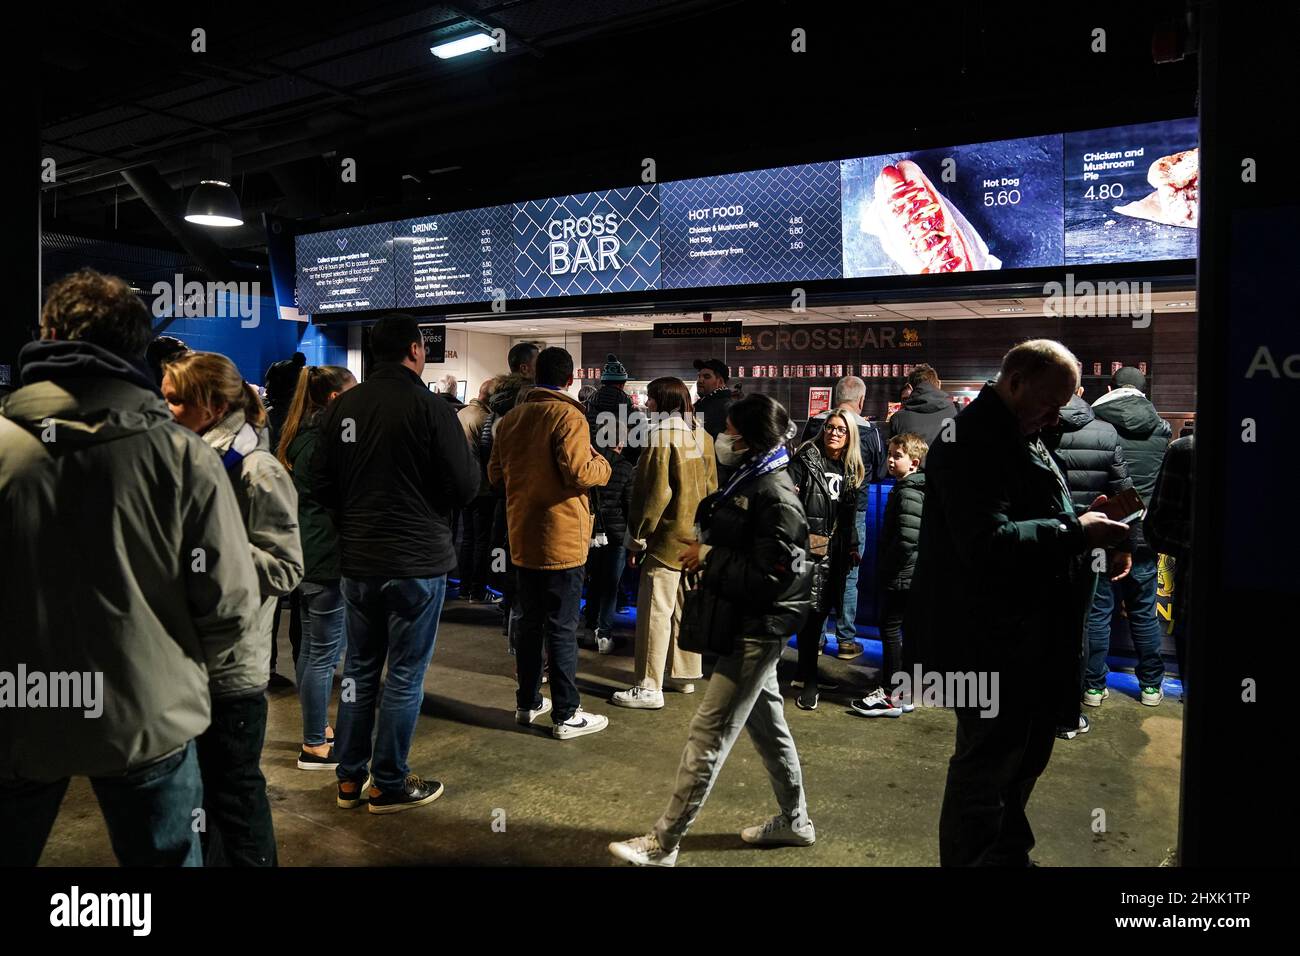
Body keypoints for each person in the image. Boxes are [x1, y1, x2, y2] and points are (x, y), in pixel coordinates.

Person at [0, 269, 260, 867]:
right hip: (149, 715)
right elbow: (228, 602)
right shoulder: (182, 459)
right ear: (137, 346)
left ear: (48, 332)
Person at [907, 339, 1130, 867]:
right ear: (1016, 381)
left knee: (1022, 760)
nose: (1056, 416)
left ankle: (1006, 857)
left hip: (1025, 638)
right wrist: (1075, 530)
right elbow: (987, 544)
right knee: (987, 770)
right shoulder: (971, 440)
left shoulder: (1017, 431)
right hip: (990, 642)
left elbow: (1024, 513)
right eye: (1051, 403)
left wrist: (1084, 522)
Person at [608, 394, 814, 866]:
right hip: (747, 619)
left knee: (709, 732)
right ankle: (796, 821)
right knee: (770, 729)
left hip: (759, 627)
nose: (724, 438)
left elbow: (778, 573)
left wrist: (711, 558)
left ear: (751, 439)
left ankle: (664, 842)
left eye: (733, 431)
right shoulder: (754, 478)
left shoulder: (776, 493)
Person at [312, 314, 480, 813]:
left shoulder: (343, 409)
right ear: (414, 350)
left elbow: (319, 485)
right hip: (416, 562)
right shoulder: (431, 409)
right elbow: (466, 487)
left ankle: (348, 780)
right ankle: (388, 783)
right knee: (405, 674)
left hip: (358, 562)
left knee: (359, 669)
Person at [162, 350, 304, 865]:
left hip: (231, 666)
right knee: (198, 798)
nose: (167, 408)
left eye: (178, 400)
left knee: (236, 794)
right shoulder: (184, 459)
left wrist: (209, 542)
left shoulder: (257, 469)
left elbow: (286, 569)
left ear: (215, 405)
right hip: (183, 657)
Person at [489, 347, 613, 740]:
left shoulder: (510, 419)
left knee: (528, 622)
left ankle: (527, 702)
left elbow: (494, 475)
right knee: (561, 625)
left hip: (522, 535)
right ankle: (566, 713)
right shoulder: (568, 415)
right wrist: (605, 465)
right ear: (570, 378)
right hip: (561, 538)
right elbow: (579, 471)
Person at [613, 377, 717, 709]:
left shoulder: (662, 436)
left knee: (656, 611)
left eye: (650, 400)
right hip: (696, 539)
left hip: (667, 540)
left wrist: (637, 537)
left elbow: (652, 494)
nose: (646, 404)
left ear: (662, 401)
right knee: (684, 611)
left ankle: (648, 686)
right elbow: (713, 490)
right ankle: (683, 675)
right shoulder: (704, 436)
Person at [277, 364, 357, 770]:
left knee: (311, 651)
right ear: (333, 399)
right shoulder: (325, 443)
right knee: (323, 654)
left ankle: (315, 730)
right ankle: (313, 744)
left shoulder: (297, 437)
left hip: (305, 555)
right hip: (327, 559)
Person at [1043, 383, 1134, 738]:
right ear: (1080, 389)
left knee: (1040, 623)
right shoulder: (1105, 431)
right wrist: (1127, 546)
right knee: (1081, 624)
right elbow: (1125, 495)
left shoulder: (1034, 426)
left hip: (1044, 542)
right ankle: (1069, 711)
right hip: (1091, 548)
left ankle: (1036, 706)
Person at [1090, 367, 1173, 706]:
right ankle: (1151, 686)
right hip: (1144, 535)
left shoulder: (1096, 423)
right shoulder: (1162, 430)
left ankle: (1093, 687)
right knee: (1143, 611)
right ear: (1143, 389)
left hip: (1105, 531)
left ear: (1111, 387)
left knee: (1098, 612)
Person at [799, 375, 887, 660]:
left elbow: (803, 465)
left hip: (817, 514)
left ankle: (818, 639)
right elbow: (882, 470)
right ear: (861, 400)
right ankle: (847, 640)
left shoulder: (816, 424)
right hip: (854, 512)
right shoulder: (870, 431)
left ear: (836, 397)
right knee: (848, 577)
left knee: (818, 576)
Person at [788, 408, 864, 710]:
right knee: (810, 615)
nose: (834, 433)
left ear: (849, 437)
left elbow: (850, 514)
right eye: (830, 428)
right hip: (807, 549)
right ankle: (809, 682)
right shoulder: (805, 460)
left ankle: (805, 673)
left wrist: (853, 544)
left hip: (837, 550)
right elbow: (787, 501)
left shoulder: (851, 468)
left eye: (841, 430)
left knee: (823, 611)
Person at [851, 432, 928, 717]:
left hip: (902, 574)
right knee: (901, 629)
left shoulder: (908, 491)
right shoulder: (913, 488)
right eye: (891, 455)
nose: (891, 461)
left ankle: (891, 694)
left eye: (898, 456)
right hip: (911, 574)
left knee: (891, 628)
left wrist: (888, 565)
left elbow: (907, 538)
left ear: (914, 462)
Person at [482, 343, 540, 641]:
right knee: (524, 560)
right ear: (525, 368)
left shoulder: (496, 402)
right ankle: (519, 621)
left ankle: (507, 610)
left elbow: (487, 447)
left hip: (503, 492)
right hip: (524, 495)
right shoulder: (527, 401)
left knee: (504, 550)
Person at [264, 350, 308, 686]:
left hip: (265, 523)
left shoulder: (260, 421)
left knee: (269, 602)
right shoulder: (303, 426)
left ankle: (267, 668)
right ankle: (303, 662)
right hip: (302, 521)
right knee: (303, 601)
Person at [1144, 435, 1193, 688]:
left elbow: (1157, 530)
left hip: (1194, 601)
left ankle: (1094, 685)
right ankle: (1150, 683)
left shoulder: (1185, 450)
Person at [585, 442, 637, 654]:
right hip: (616, 535)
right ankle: (604, 635)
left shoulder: (591, 463)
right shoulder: (626, 468)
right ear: (621, 443)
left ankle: (589, 627)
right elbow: (630, 504)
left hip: (592, 531)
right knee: (610, 586)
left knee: (593, 582)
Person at [456, 377, 499, 603]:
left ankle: (464, 587)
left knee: (468, 538)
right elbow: (489, 455)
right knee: (483, 540)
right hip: (482, 487)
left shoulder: (461, 414)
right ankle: (478, 589)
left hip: (464, 485)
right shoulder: (484, 419)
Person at [889, 363, 959, 447]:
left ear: (910, 388)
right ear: (938, 384)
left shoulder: (898, 418)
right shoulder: (955, 411)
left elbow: (895, 453)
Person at [586, 353, 633, 457]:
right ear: (622, 384)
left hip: (593, 451)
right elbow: (630, 429)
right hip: (618, 451)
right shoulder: (625, 399)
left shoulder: (592, 398)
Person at [692, 357, 734, 440]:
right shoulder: (703, 404)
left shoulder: (726, 407)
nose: (700, 380)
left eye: (706, 377)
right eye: (699, 376)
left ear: (720, 382)